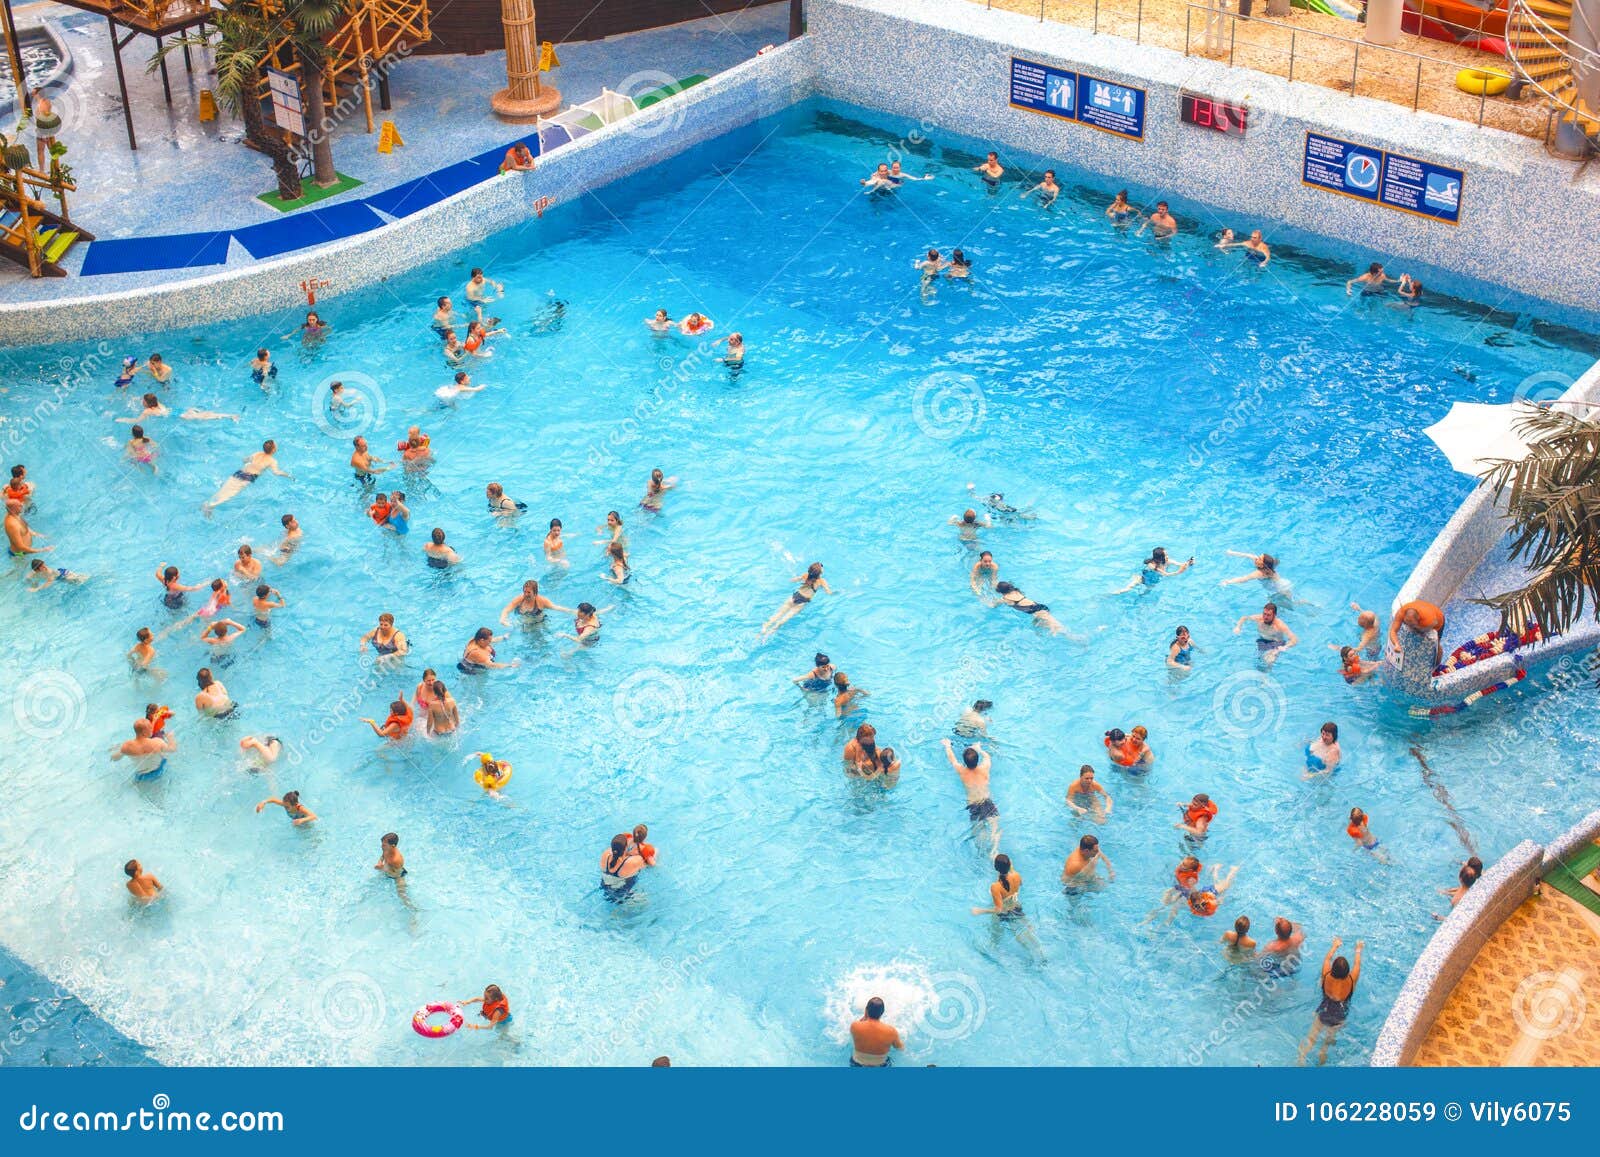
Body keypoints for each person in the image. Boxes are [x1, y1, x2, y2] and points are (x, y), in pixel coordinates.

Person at [1298, 938, 1364, 1065]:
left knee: (1312, 1037)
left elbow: (1327, 959)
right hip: (1339, 1015)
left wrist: (1335, 946)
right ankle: (1322, 1053)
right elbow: (1357, 964)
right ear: (1347, 972)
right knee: (1328, 1040)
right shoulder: (1351, 980)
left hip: (1324, 1010)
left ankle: (1302, 1057)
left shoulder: (1326, 975)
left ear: (1333, 969)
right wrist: (1358, 949)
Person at [942, 738, 998, 856]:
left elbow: (952, 760)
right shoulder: (984, 768)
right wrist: (979, 749)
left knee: (978, 831)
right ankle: (994, 850)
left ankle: (980, 851)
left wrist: (947, 745)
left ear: (965, 762)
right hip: (987, 801)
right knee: (994, 828)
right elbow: (987, 757)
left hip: (974, 805)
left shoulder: (962, 771)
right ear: (977, 760)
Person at [204, 441, 290, 513]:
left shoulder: (257, 453)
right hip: (248, 477)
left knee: (224, 489)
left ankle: (207, 503)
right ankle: (211, 506)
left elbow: (245, 460)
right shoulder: (272, 461)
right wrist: (288, 475)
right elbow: (276, 472)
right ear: (274, 449)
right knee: (230, 494)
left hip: (240, 472)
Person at [761, 562, 831, 636]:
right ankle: (769, 633)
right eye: (821, 566)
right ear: (820, 572)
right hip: (802, 602)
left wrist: (793, 578)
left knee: (778, 614)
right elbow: (828, 592)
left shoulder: (806, 575)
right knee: (783, 620)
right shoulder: (822, 581)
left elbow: (794, 580)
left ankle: (764, 627)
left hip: (794, 597)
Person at [1389, 599, 1446, 670]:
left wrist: (1419, 629)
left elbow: (1434, 624)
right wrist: (1396, 644)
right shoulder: (1401, 612)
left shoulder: (1428, 620)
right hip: (1424, 609)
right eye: (1406, 622)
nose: (1409, 626)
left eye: (1411, 624)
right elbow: (1393, 631)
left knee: (1436, 645)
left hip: (1438, 620)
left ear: (1418, 619)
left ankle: (1436, 666)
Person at [110, 719, 176, 779]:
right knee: (165, 756)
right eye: (150, 728)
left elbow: (115, 758)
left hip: (141, 776)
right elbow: (172, 749)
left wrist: (116, 751)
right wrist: (171, 737)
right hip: (158, 771)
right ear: (144, 732)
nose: (152, 729)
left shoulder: (127, 746)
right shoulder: (158, 742)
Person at [993, 581, 1065, 635]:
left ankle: (1074, 638)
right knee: (1036, 626)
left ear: (1000, 591)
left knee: (1058, 628)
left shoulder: (1005, 599)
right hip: (1039, 607)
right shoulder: (1016, 591)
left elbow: (994, 605)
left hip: (1038, 612)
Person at [848, 997, 903, 1067]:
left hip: (857, 1064)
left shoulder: (855, 1026)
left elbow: (862, 1023)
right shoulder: (891, 1031)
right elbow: (900, 1048)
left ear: (866, 1010)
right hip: (880, 1065)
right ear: (882, 1012)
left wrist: (865, 1015)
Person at [1114, 546, 1194, 594]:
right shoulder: (1151, 565)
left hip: (1153, 581)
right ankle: (1112, 594)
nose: (1167, 556)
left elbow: (1180, 564)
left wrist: (1189, 563)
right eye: (1165, 555)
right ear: (1160, 557)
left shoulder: (1167, 561)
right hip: (1142, 578)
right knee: (1128, 589)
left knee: (1144, 595)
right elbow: (1165, 574)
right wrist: (1179, 572)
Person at [500, 579, 573, 626]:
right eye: (524, 591)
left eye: (529, 592)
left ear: (535, 593)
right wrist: (503, 619)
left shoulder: (541, 601)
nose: (526, 594)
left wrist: (572, 611)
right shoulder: (519, 599)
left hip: (539, 623)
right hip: (524, 624)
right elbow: (507, 609)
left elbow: (556, 607)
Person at [972, 852, 1024, 916]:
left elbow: (999, 910)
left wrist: (980, 911)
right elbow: (1020, 884)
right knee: (1027, 924)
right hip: (1017, 907)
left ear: (995, 868)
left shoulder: (995, 887)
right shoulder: (1017, 875)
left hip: (1004, 913)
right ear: (1010, 864)